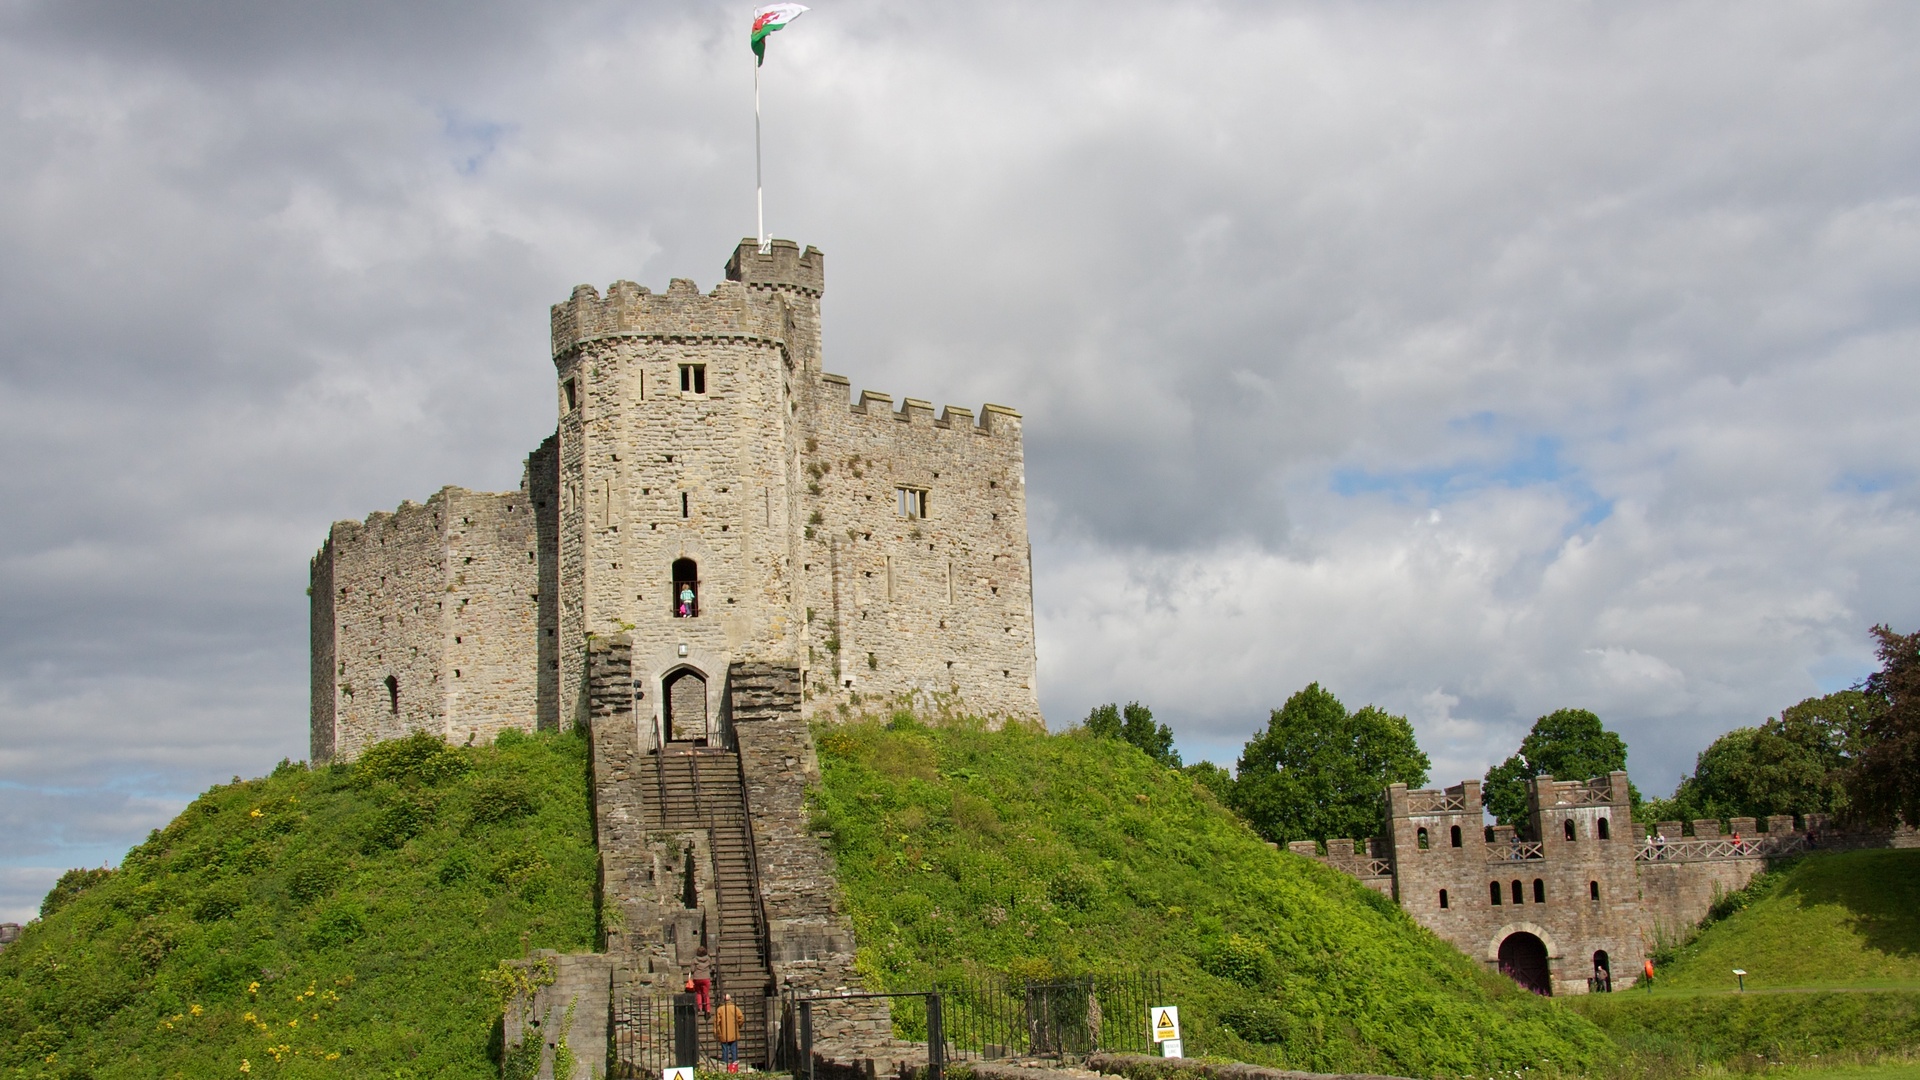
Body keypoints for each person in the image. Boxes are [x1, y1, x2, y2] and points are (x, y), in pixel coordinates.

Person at [713, 992, 745, 1070]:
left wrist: (716, 1032)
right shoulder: (735, 1008)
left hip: (724, 1032)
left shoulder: (720, 1009)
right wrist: (739, 1026)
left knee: (725, 1048)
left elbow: (716, 1022)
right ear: (730, 999)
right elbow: (741, 1018)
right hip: (733, 1032)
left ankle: (725, 1062)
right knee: (734, 1048)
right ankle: (734, 1062)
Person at [691, 945, 713, 1014]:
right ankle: (708, 1009)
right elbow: (711, 967)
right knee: (706, 994)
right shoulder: (708, 959)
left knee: (698, 993)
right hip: (706, 978)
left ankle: (699, 1007)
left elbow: (692, 969)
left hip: (697, 978)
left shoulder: (694, 960)